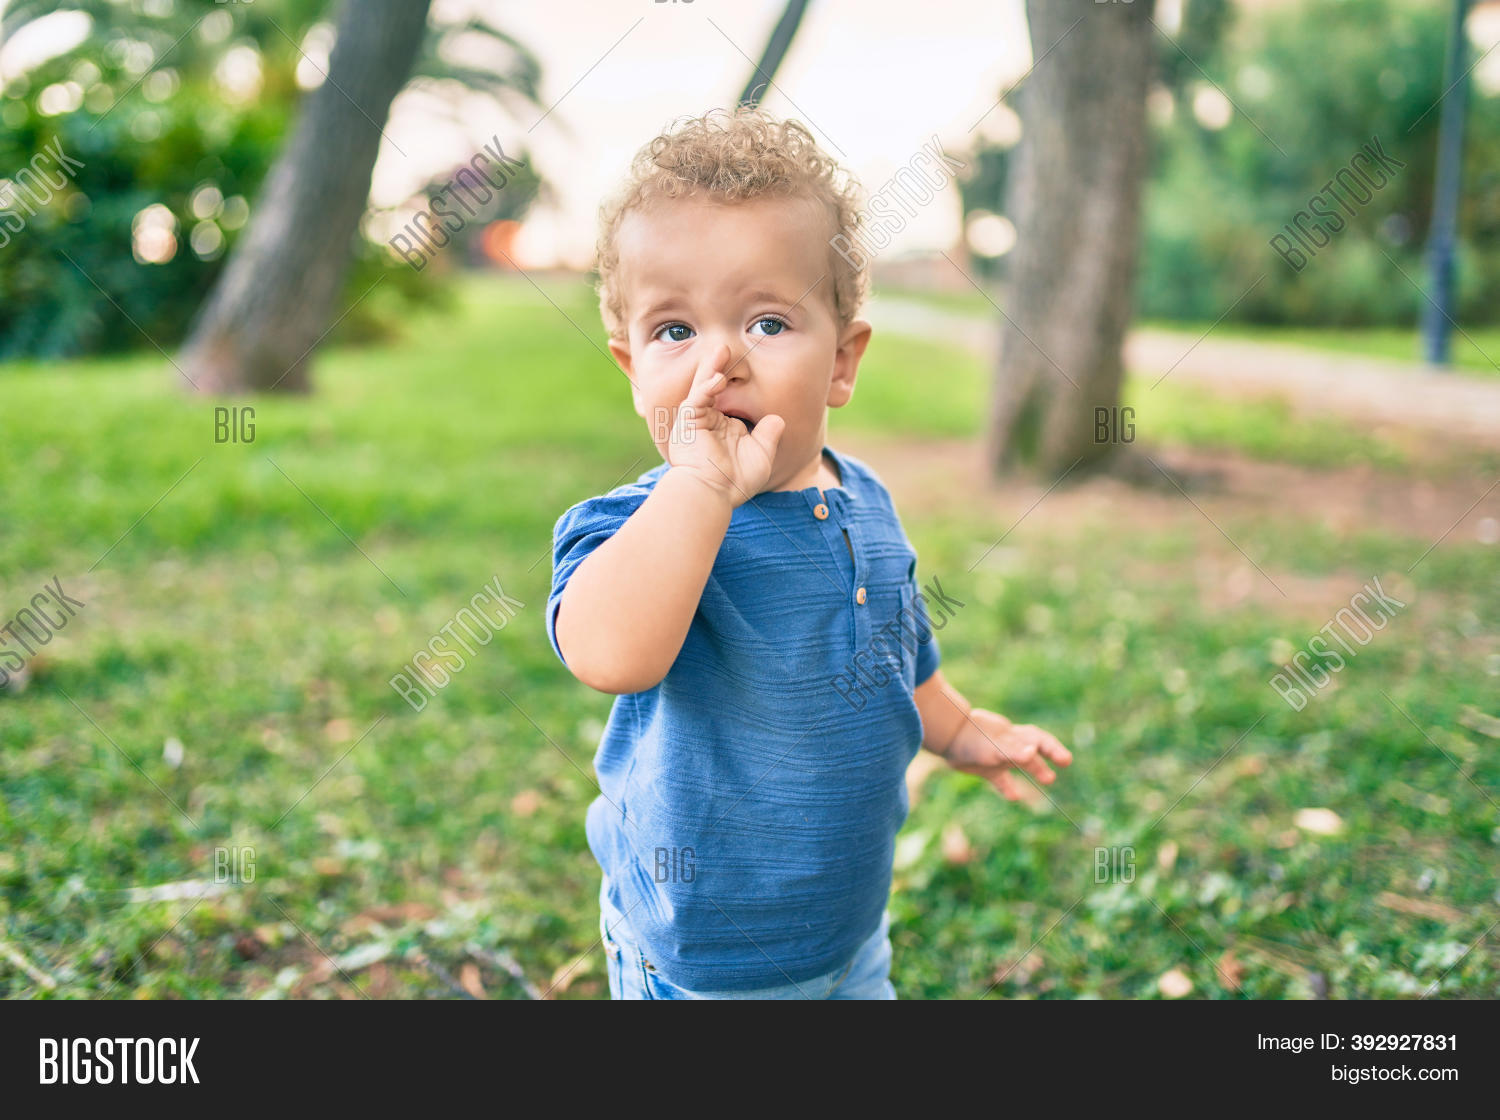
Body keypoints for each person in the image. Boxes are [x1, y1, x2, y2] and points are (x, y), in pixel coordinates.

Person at [546, 106, 1072, 999]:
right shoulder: (631, 524)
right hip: (706, 953)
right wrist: (705, 491)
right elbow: (612, 656)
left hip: (849, 928)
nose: (720, 361)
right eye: (674, 331)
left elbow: (902, 663)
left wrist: (965, 733)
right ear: (632, 369)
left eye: (766, 323)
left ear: (842, 362)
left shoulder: (864, 500)